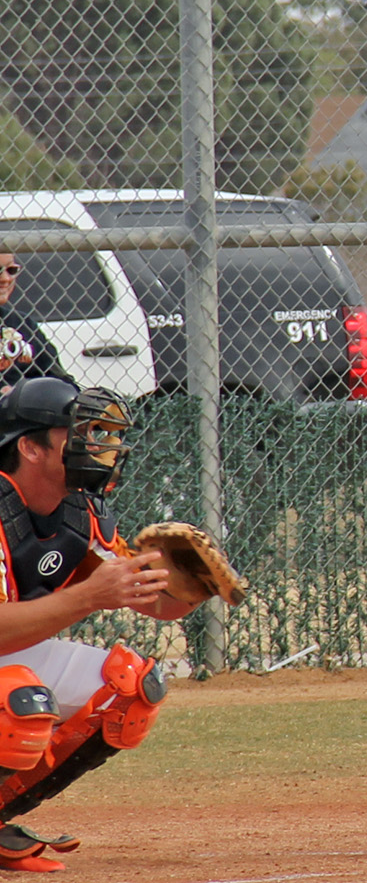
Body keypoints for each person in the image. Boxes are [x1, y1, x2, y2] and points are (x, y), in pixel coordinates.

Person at [0, 377, 197, 872]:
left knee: (129, 688)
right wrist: (89, 596)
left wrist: (192, 584)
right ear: (30, 446)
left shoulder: (78, 509)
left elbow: (156, 604)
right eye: (82, 433)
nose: (100, 447)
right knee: (19, 702)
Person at [0, 253, 72, 393]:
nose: (5, 279)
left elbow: (61, 381)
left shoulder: (19, 323)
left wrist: (22, 394)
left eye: (11, 270)